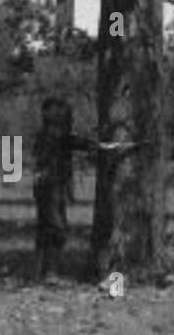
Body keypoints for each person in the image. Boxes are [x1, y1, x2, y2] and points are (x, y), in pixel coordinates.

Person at [32, 97, 137, 281]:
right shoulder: (49, 138)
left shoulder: (54, 138)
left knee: (47, 229)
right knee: (55, 229)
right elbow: (70, 143)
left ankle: (41, 271)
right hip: (49, 189)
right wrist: (95, 146)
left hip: (50, 188)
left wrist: (97, 146)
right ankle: (49, 272)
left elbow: (74, 142)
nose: (69, 123)